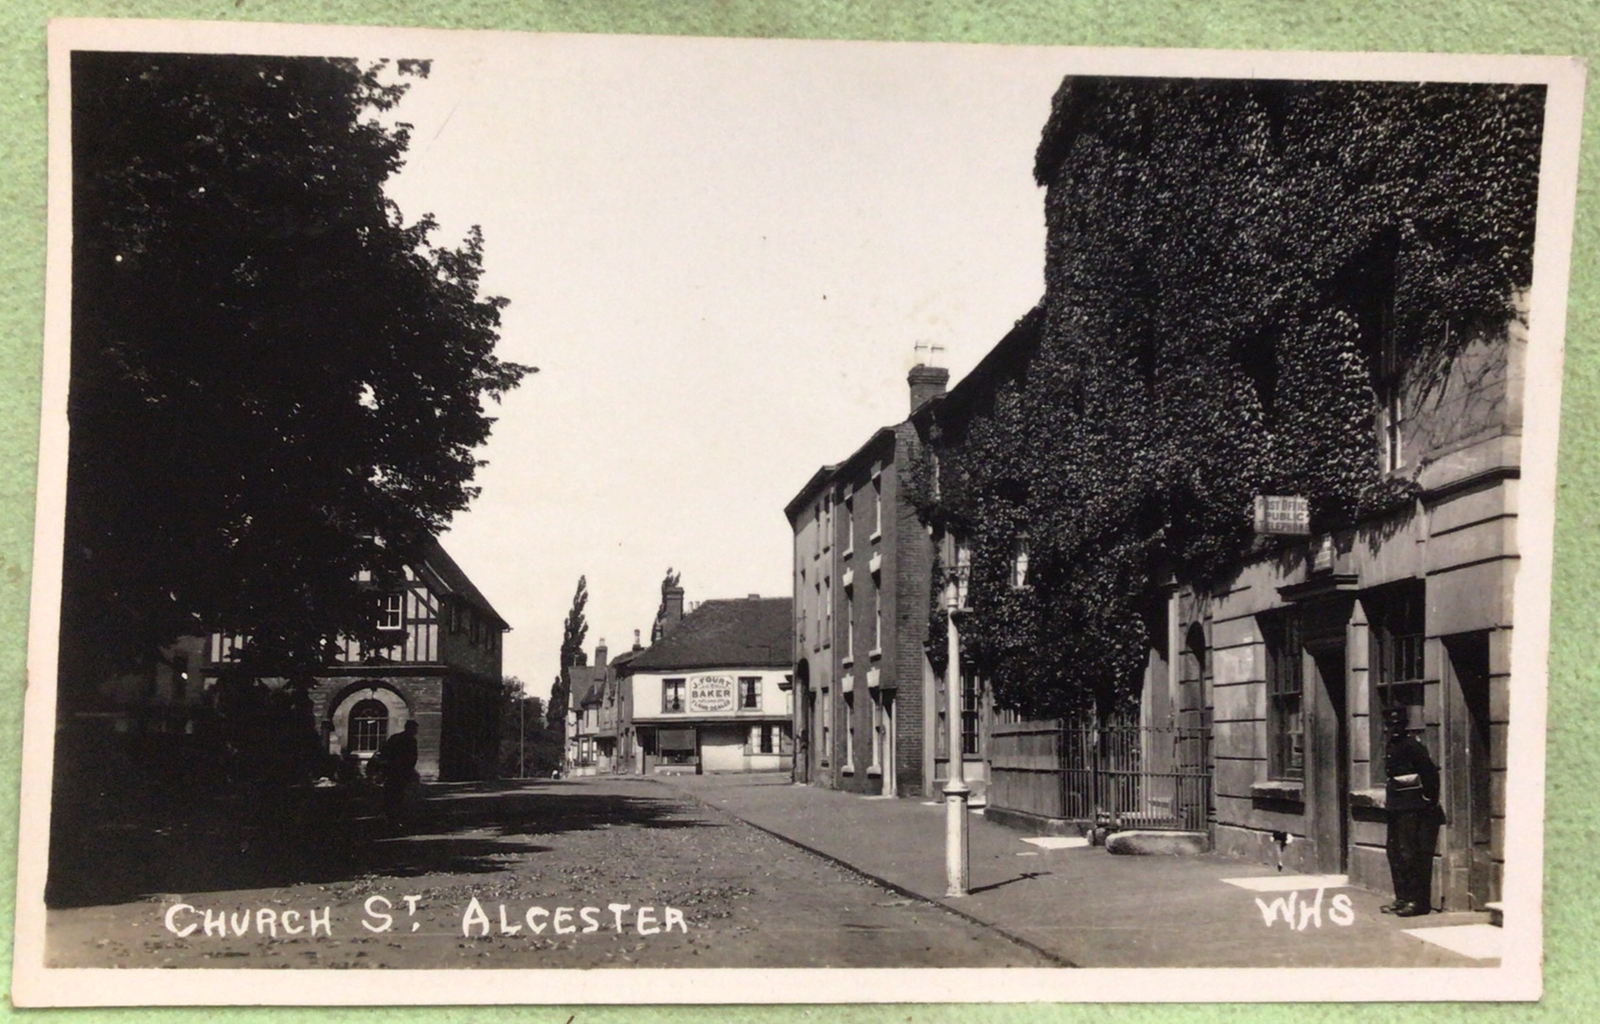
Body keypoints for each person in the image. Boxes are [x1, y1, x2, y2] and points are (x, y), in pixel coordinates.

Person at [1381, 704, 1441, 918]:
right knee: (1394, 852)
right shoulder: (1392, 745)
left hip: (1412, 808)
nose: (1394, 728)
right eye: (1390, 724)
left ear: (1405, 725)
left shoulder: (1412, 745)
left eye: (1398, 724)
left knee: (1410, 854)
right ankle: (1402, 898)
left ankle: (1418, 902)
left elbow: (1429, 773)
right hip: (1396, 807)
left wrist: (1428, 800)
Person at [375, 719, 420, 828]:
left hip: (392, 770)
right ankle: (395, 818)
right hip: (401, 771)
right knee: (398, 795)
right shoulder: (411, 740)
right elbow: (412, 758)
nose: (416, 732)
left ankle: (389, 817)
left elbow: (384, 751)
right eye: (415, 729)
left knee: (390, 794)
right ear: (411, 729)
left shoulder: (395, 737)